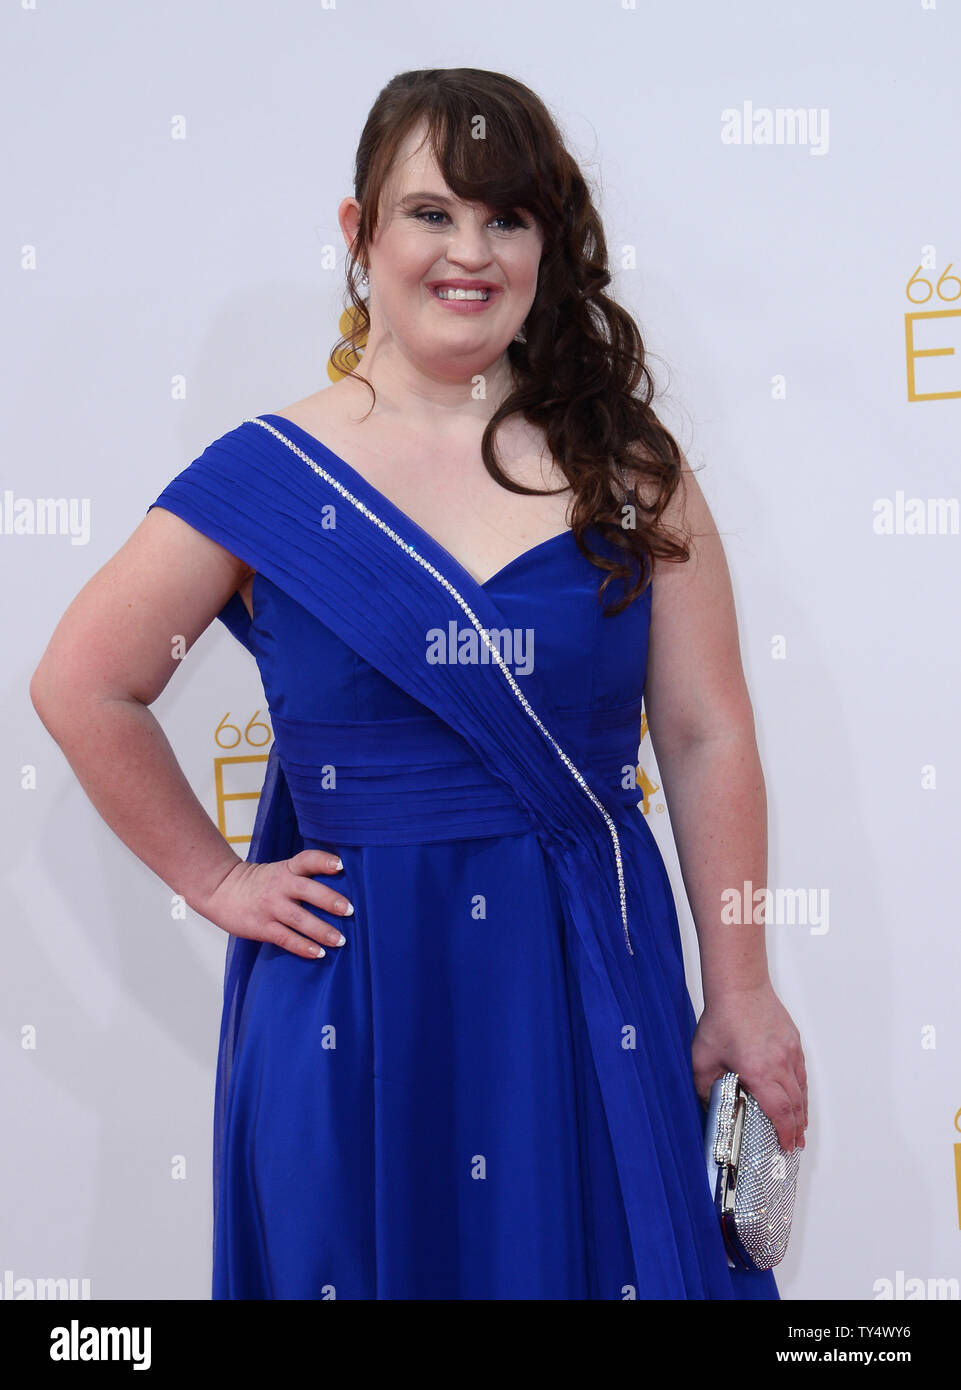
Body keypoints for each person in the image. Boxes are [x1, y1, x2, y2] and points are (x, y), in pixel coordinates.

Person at [30, 67, 807, 1300]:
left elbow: (708, 734)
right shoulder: (268, 475)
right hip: (358, 998)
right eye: (431, 213)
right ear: (361, 235)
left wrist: (744, 989)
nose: (471, 251)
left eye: (507, 218)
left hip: (587, 978)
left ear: (547, 244)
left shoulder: (628, 471)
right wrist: (218, 879)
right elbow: (83, 684)